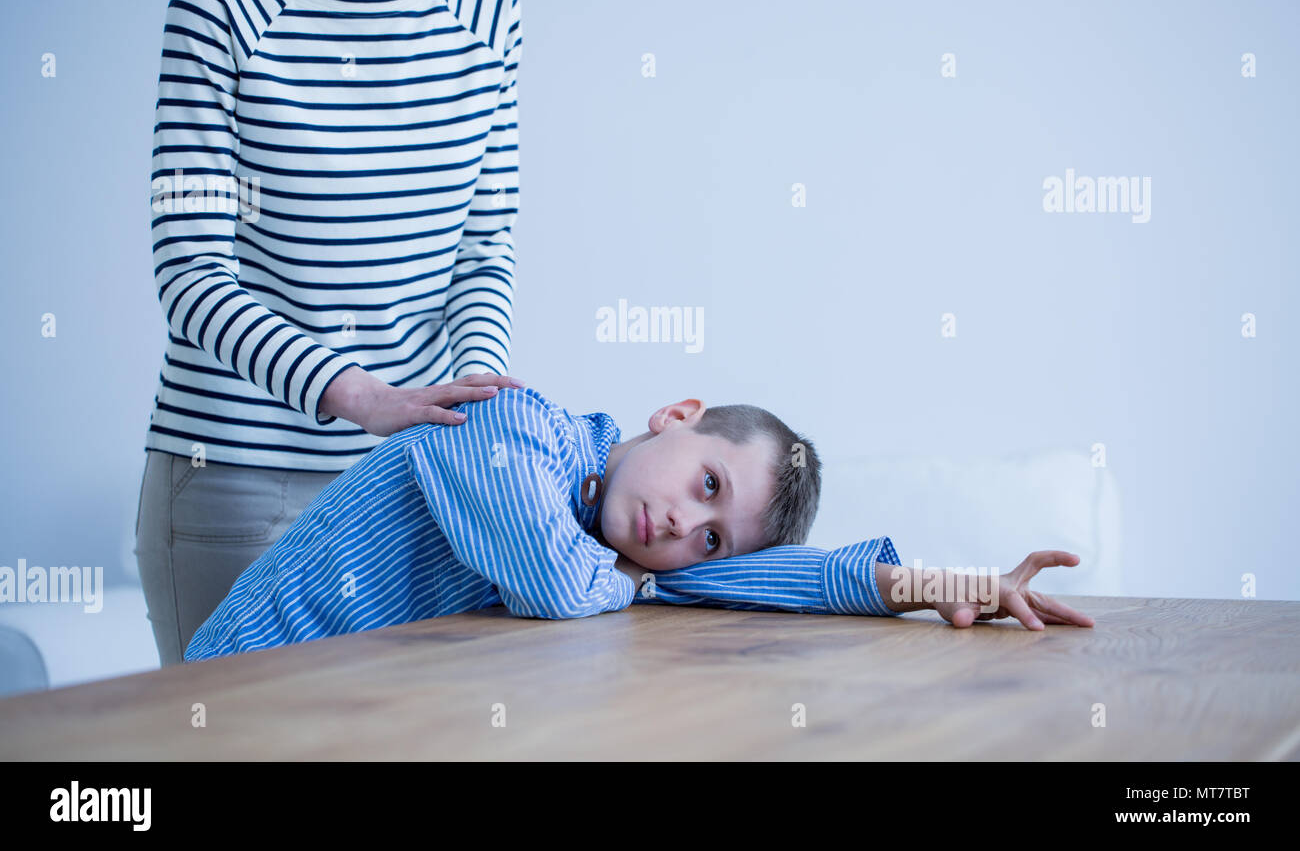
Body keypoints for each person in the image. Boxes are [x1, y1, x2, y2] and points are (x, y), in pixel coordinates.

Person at [136, 0, 519, 665]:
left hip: (402, 483)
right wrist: (364, 399)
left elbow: (483, 249)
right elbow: (191, 272)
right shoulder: (223, 2)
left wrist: (479, 387)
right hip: (239, 478)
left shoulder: (488, 8)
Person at [184, 385, 1093, 661]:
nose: (681, 525)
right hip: (245, 688)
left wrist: (952, 587)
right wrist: (633, 580)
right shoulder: (512, 426)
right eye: (706, 480)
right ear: (674, 414)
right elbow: (547, 578)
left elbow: (787, 579)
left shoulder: (624, 557)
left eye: (713, 532)